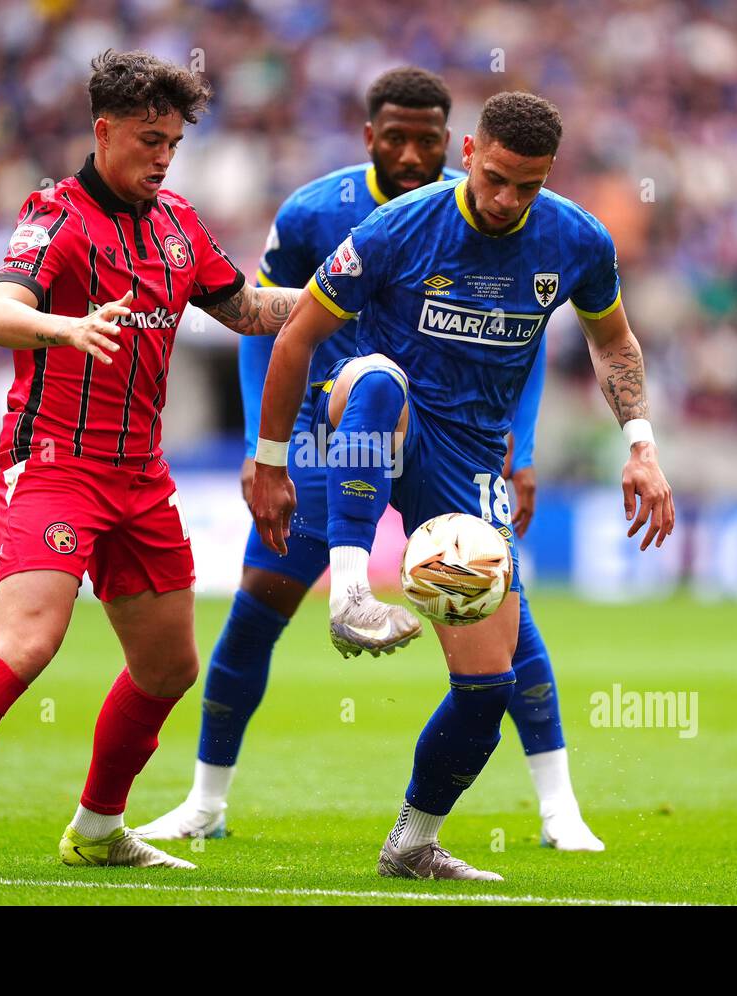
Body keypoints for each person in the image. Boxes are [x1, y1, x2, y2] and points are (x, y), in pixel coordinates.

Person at [0, 50, 301, 880]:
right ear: (104, 132)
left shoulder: (177, 223)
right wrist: (66, 328)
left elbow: (242, 308)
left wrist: (330, 301)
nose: (163, 156)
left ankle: (98, 828)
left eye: (173, 141)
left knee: (169, 667)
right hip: (55, 464)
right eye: (148, 138)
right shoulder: (53, 216)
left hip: (141, 474)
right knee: (27, 644)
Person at [136, 69, 603, 854]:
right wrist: (264, 450)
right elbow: (265, 330)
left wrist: (517, 449)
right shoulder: (316, 213)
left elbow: (519, 345)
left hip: (450, 441)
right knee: (256, 612)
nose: (413, 153)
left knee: (500, 615)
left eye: (427, 138)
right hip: (332, 434)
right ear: (369, 136)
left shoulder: (498, 212)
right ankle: (204, 800)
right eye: (397, 136)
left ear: (451, 137)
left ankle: (558, 808)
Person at [250, 92, 675, 880]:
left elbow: (612, 342)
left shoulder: (576, 240)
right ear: (471, 152)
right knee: (379, 379)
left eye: (529, 186)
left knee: (487, 688)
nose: (508, 200)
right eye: (498, 179)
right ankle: (349, 592)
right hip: (380, 407)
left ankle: (413, 841)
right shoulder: (399, 227)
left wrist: (641, 445)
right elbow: (297, 337)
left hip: (471, 461)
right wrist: (271, 460)